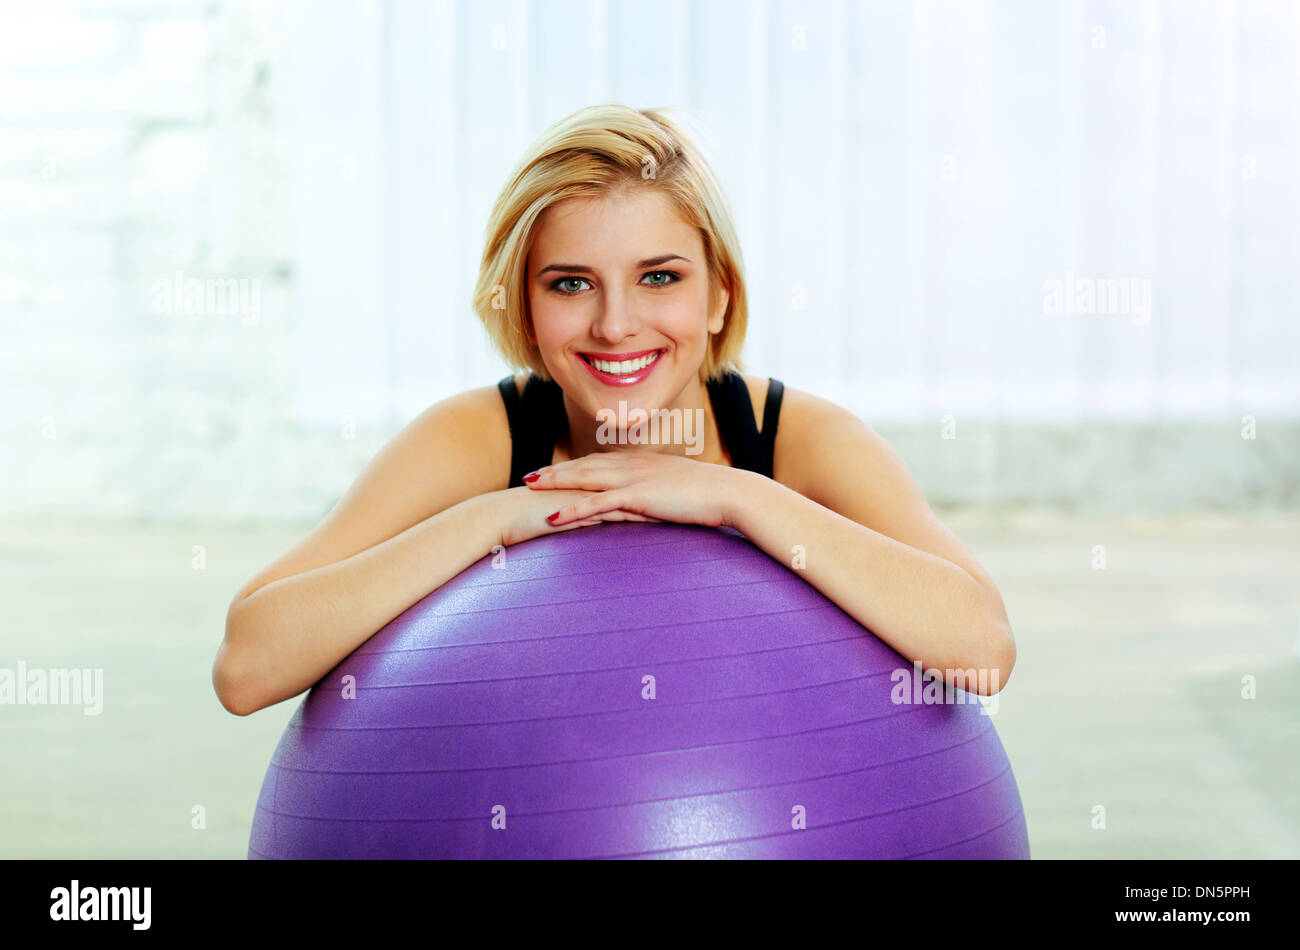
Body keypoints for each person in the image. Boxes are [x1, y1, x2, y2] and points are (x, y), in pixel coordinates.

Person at [213, 104, 1015, 717]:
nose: (615, 324)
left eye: (660, 277)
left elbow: (983, 649)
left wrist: (739, 497)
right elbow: (247, 669)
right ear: (522, 307)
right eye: (570, 283)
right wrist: (499, 519)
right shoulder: (477, 439)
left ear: (718, 294)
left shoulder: (800, 443)